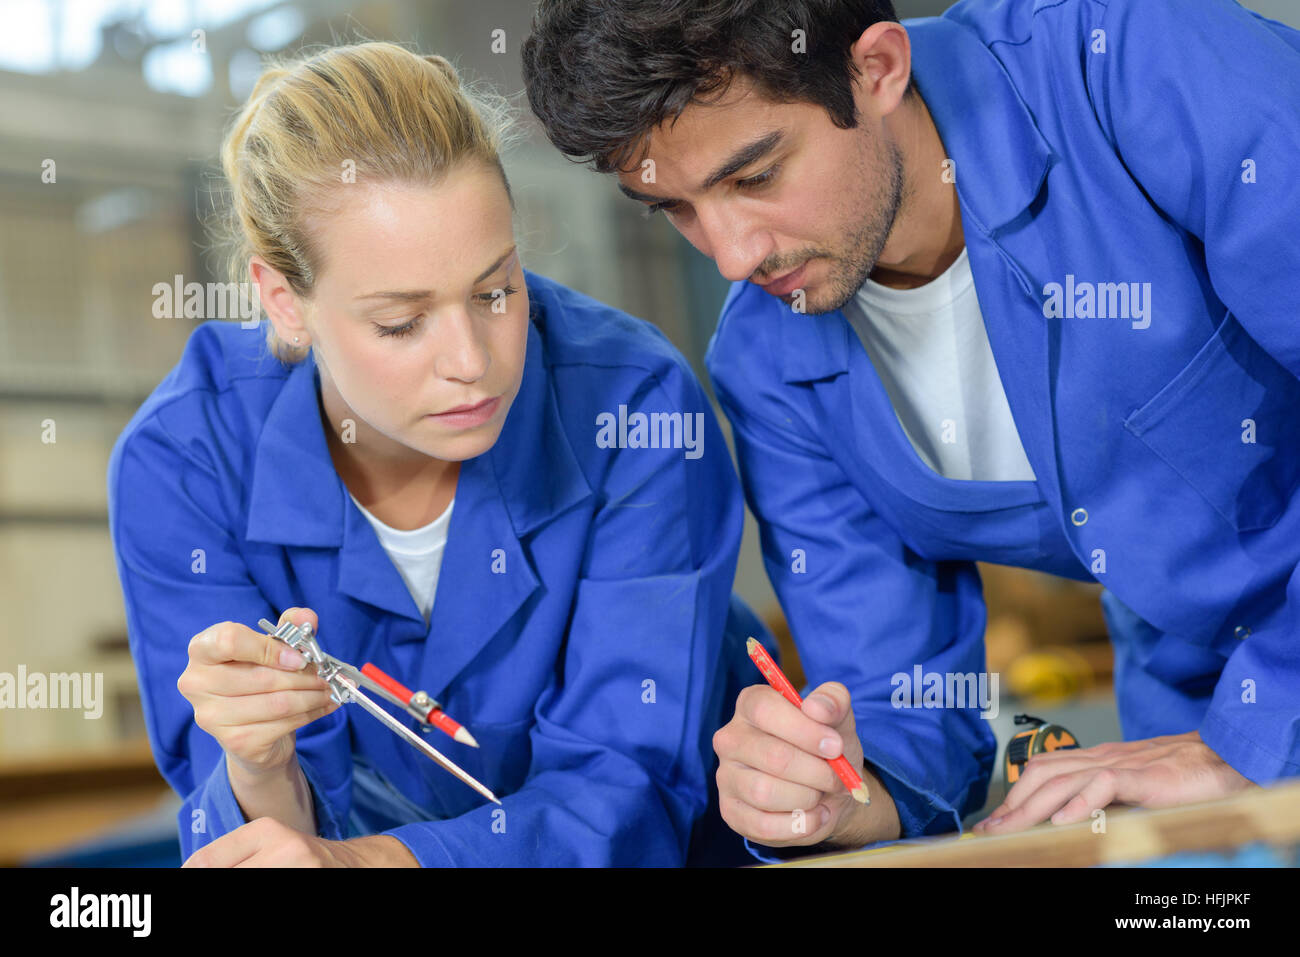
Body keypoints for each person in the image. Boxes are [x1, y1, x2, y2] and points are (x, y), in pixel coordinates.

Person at [521, 0, 1300, 862]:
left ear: (877, 69)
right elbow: (901, 697)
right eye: (672, 207)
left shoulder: (1134, 64)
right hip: (1188, 721)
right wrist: (840, 793)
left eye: (755, 178)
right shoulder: (766, 363)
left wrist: (1254, 733)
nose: (732, 255)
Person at [107, 41, 771, 867]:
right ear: (284, 301)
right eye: (401, 321)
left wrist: (378, 862)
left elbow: (626, 788)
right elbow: (252, 836)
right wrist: (259, 761)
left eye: (495, 290)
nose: (471, 358)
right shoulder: (187, 460)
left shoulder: (635, 407)